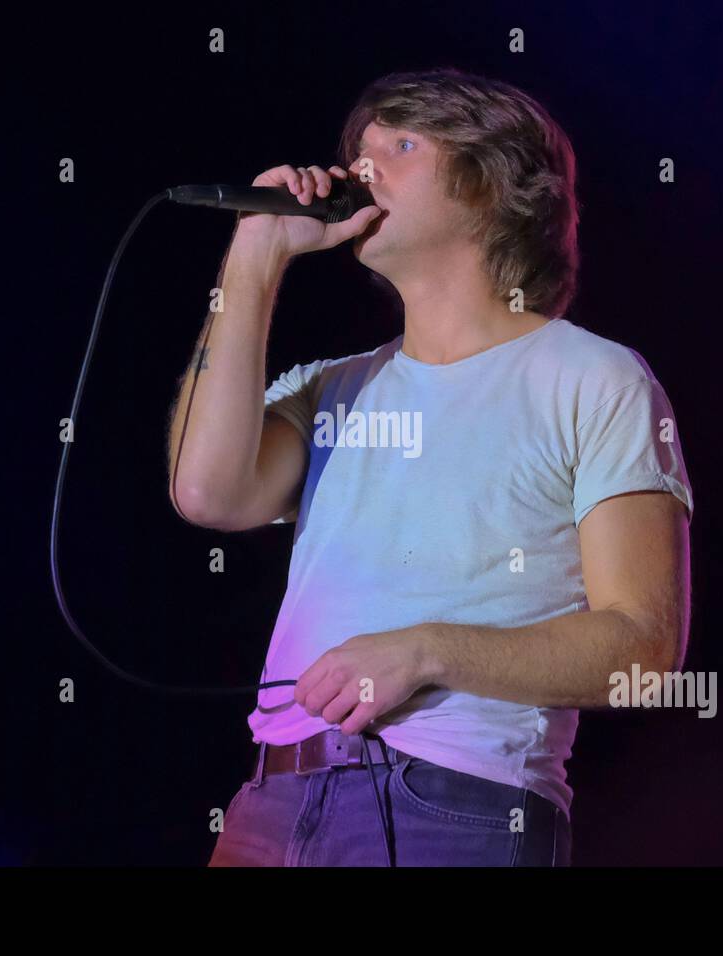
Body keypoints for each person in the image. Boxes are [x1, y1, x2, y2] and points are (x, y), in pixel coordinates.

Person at [167, 67, 694, 866]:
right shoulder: (330, 387)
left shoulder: (595, 376)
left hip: (452, 803)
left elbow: (643, 650)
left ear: (493, 187)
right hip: (272, 799)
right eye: (359, 147)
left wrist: (425, 650)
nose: (360, 166)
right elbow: (207, 491)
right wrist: (256, 254)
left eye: (401, 144)